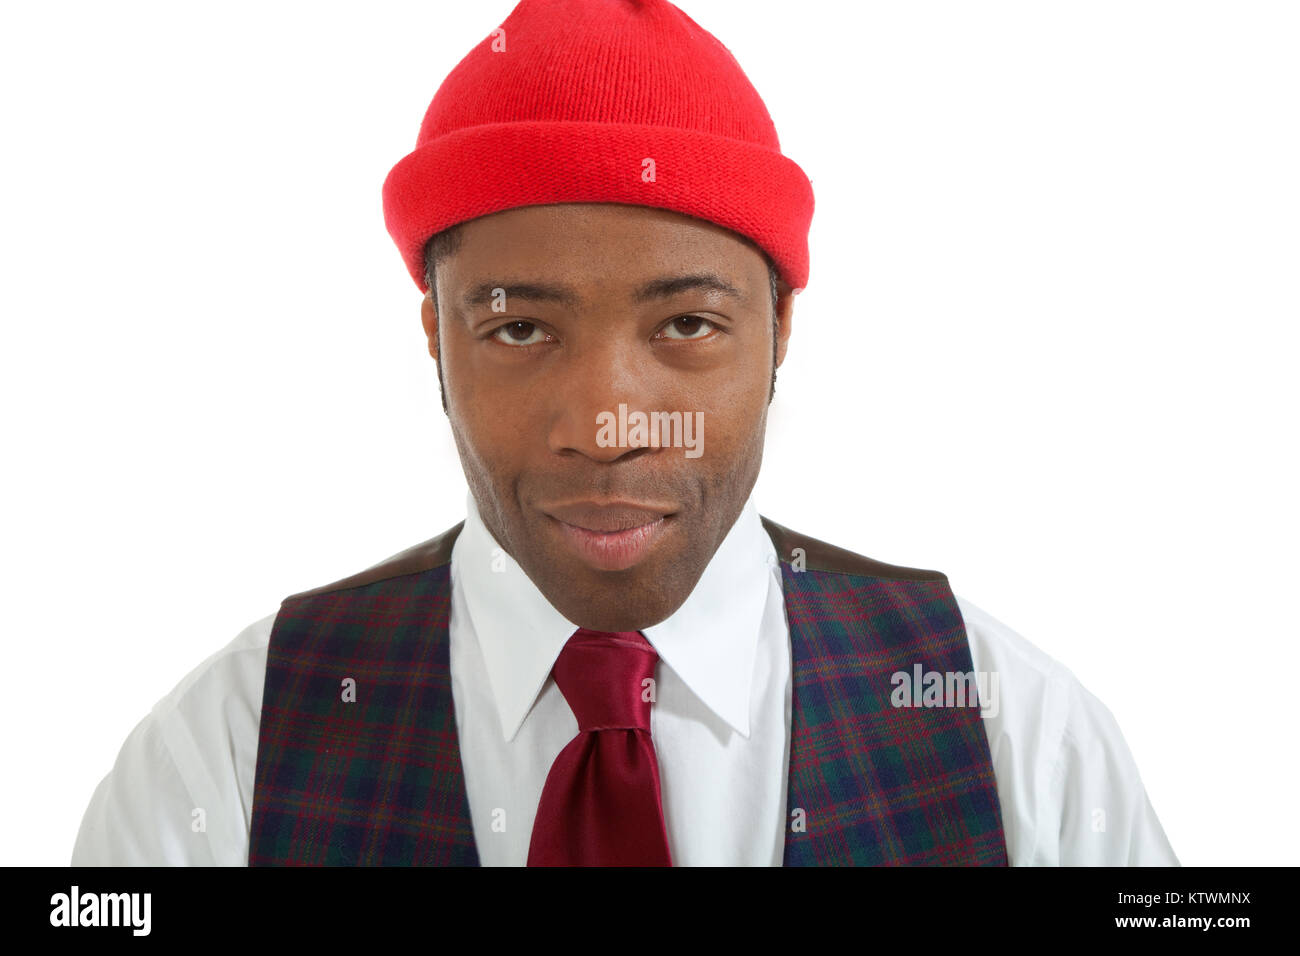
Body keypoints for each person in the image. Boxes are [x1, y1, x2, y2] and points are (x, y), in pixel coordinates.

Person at [72, 0, 1177, 866]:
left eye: (687, 323)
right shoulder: (225, 757)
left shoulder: (1011, 734)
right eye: (519, 327)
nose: (606, 422)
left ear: (780, 326)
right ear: (433, 334)